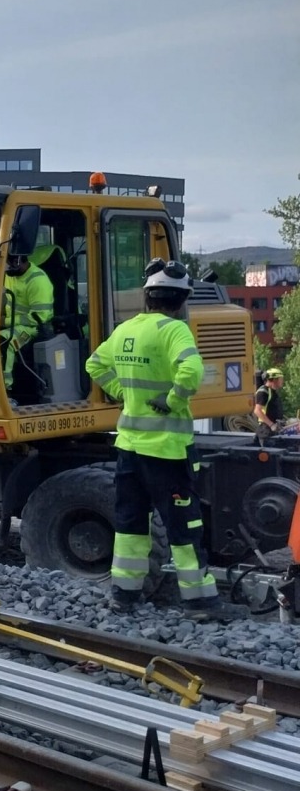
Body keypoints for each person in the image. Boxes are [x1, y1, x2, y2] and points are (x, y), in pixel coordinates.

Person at [85, 259, 247, 621]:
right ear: (182, 299)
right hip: (167, 452)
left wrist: (121, 393)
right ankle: (200, 603)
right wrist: (172, 400)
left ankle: (124, 596)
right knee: (183, 526)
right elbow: (191, 370)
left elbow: (94, 364)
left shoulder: (126, 330)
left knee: (130, 524)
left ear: (147, 296)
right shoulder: (175, 331)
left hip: (129, 450)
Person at [1, 251, 54, 396]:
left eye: (6, 264)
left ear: (17, 261)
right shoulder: (9, 274)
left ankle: (4, 390)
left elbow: (40, 317)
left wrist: (5, 322)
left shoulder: (37, 281)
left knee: (3, 341)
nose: (3, 269)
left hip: (34, 329)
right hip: (12, 323)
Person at [254, 367, 286, 445]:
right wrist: (271, 425)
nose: (282, 381)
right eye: (281, 379)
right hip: (265, 430)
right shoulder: (263, 392)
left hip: (274, 428)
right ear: (274, 380)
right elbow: (257, 410)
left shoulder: (273, 392)